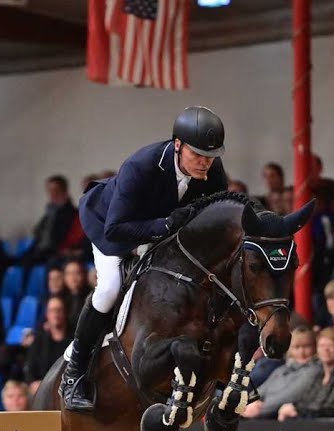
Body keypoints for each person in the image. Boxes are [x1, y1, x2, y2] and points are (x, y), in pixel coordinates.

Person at [62, 106, 230, 411]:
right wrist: (165, 225)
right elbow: (117, 228)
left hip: (161, 232)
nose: (205, 163)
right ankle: (75, 371)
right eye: (198, 155)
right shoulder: (142, 166)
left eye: (211, 155)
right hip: (112, 228)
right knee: (110, 287)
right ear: (178, 144)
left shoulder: (212, 172)